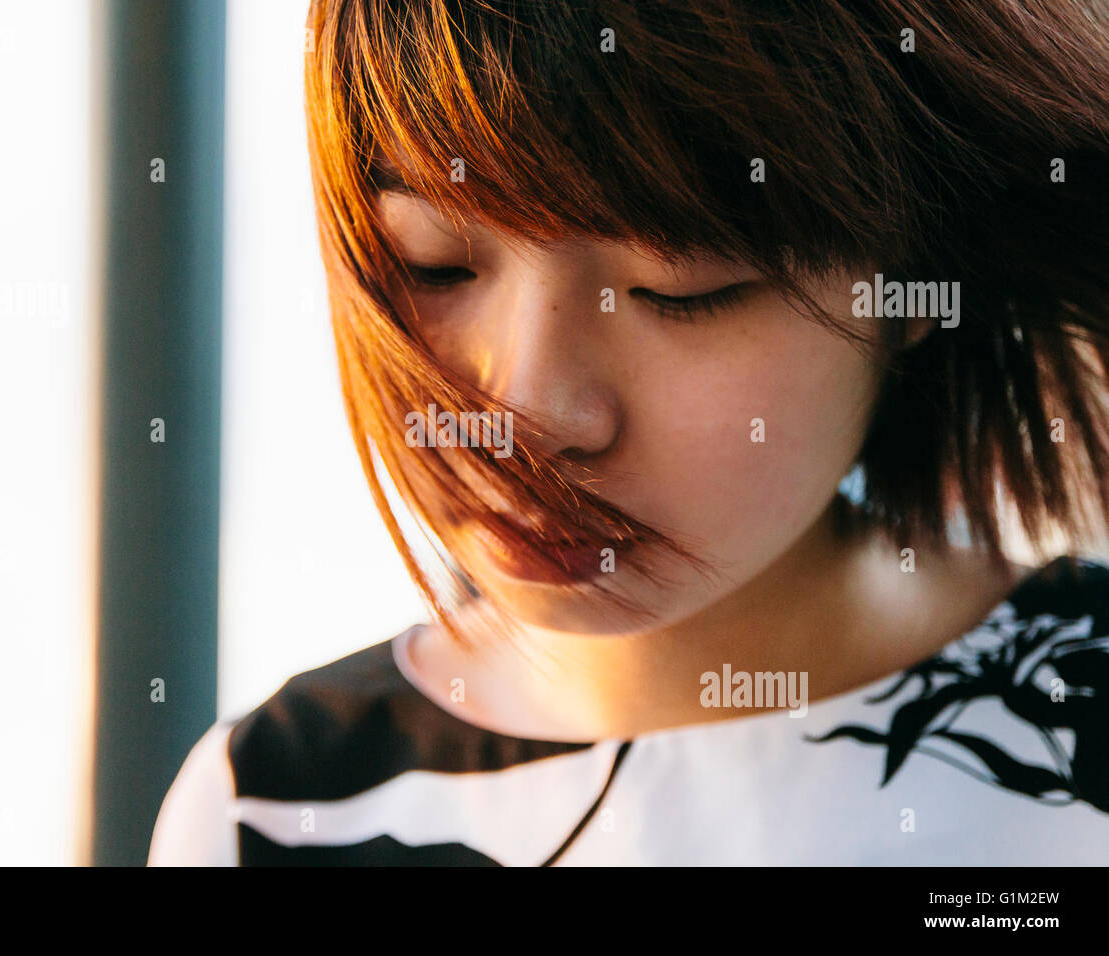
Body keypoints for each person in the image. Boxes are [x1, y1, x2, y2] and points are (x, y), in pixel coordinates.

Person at [149, 0, 1109, 865]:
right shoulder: (272, 810)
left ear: (911, 288)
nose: (525, 414)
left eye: (679, 290)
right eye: (434, 263)